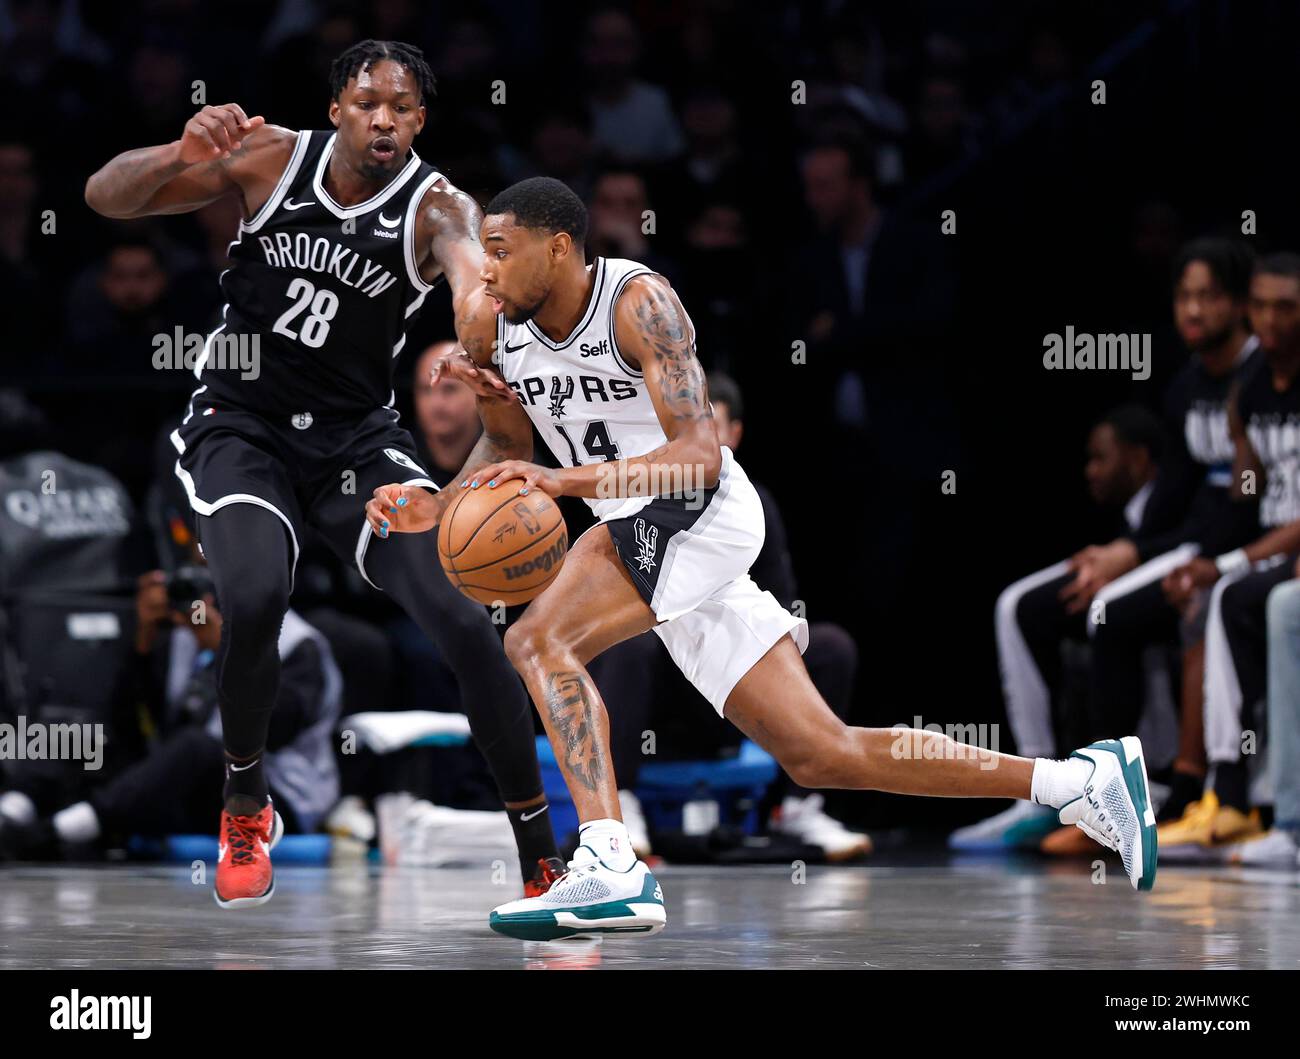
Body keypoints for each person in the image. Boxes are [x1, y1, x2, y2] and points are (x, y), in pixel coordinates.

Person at [366, 176, 1159, 940]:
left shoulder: (639, 303)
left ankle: (609, 859)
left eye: (504, 251)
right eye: (486, 254)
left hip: (694, 509)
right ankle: (1078, 782)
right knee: (821, 753)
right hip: (641, 527)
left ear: (561, 247)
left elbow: (699, 454)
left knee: (537, 640)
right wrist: (438, 503)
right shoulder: (491, 326)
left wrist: (562, 479)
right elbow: (506, 452)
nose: (490, 270)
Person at [84, 39, 561, 908]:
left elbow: (467, 276)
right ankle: (243, 798)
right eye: (369, 101)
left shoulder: (436, 206)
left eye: (404, 108)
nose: (385, 119)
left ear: (421, 120)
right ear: (337, 107)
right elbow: (103, 195)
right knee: (257, 596)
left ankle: (539, 853)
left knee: (463, 621)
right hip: (242, 426)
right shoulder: (270, 157)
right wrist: (177, 154)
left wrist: (478, 327)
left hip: (353, 443)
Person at [955, 404, 1181, 851]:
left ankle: (1126, 790)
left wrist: (1135, 554)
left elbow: (1210, 526)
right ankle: (1038, 784)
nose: (1091, 471)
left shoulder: (1178, 496)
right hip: (1146, 557)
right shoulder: (1128, 515)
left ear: (1137, 459)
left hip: (1198, 568)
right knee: (1018, 606)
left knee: (1108, 609)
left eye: (1102, 458)